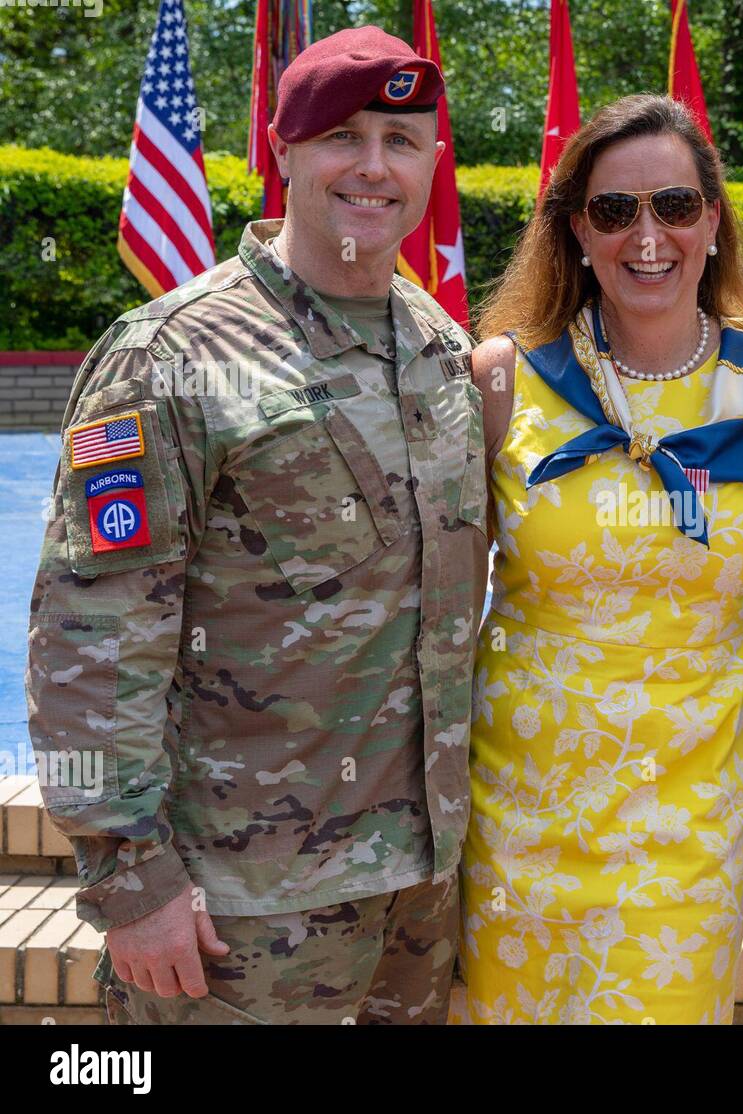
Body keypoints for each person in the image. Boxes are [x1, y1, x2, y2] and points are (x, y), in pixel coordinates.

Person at [25, 26, 488, 1024]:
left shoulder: (443, 346)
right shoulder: (171, 355)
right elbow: (90, 633)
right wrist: (129, 878)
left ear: (432, 162)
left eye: (402, 140)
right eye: (342, 137)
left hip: (416, 888)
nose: (374, 166)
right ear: (282, 151)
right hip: (236, 905)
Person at [458, 94, 743, 1024]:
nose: (647, 235)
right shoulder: (502, 379)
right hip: (519, 797)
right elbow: (434, 595)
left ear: (714, 220)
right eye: (616, 211)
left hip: (689, 799)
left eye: (675, 206)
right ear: (577, 230)